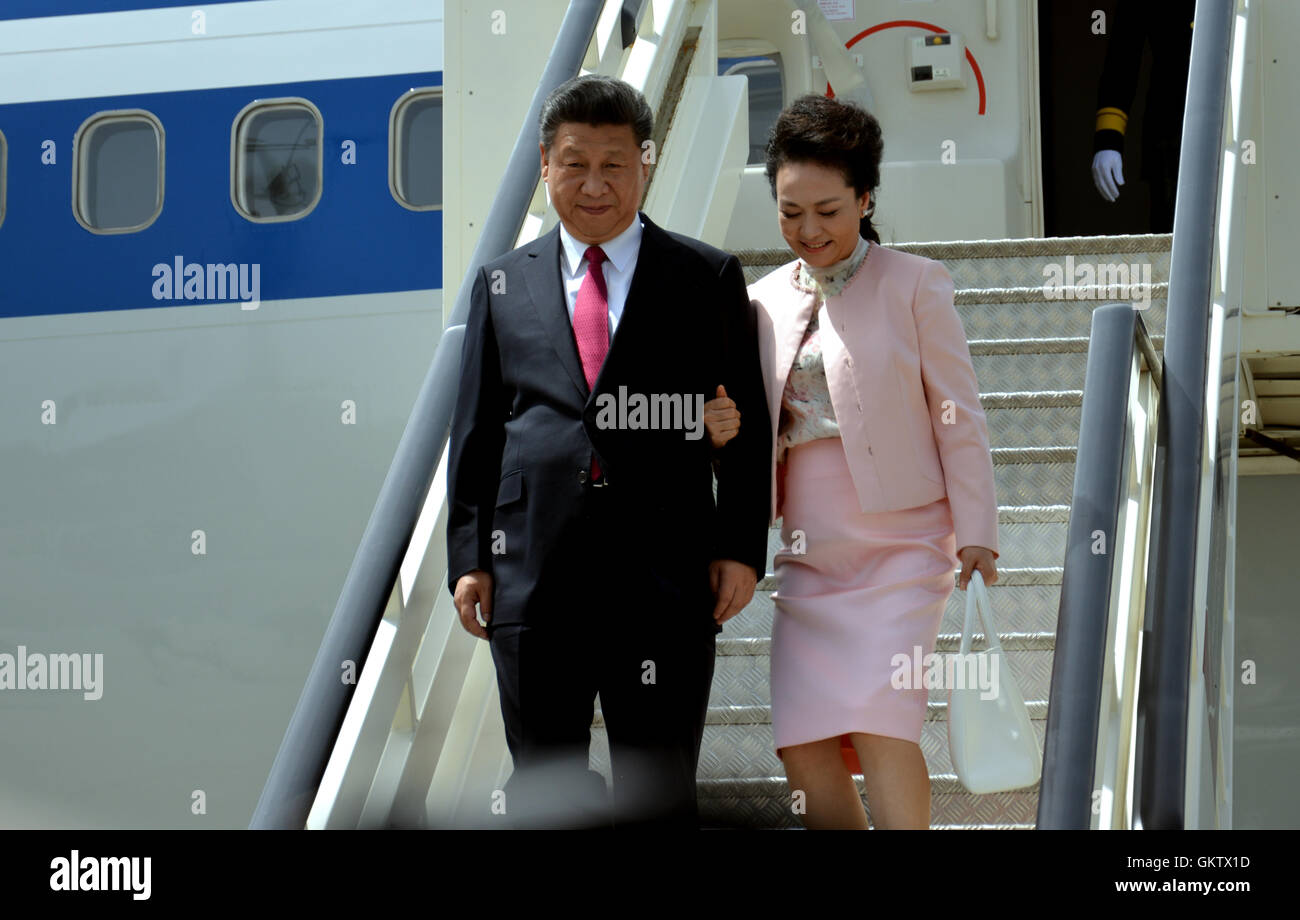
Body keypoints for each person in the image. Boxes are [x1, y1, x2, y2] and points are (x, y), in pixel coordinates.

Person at [445, 74, 771, 829]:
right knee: (542, 792)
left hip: (664, 577)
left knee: (658, 794)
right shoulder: (500, 284)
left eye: (614, 164)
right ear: (545, 164)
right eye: (575, 163)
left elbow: (744, 425)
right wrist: (470, 556)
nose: (594, 185)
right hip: (532, 577)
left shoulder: (706, 276)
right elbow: (477, 432)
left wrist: (740, 548)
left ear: (645, 164)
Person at [703, 95, 999, 829]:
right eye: (789, 211)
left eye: (829, 211)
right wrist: (714, 428)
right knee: (803, 749)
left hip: (902, 548)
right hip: (808, 556)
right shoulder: (758, 301)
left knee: (880, 722)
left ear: (866, 199)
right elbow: (743, 425)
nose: (809, 231)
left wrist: (978, 529)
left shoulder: (916, 284)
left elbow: (959, 416)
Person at [1090, 0, 1194, 232]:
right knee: (1172, 235)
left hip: (1236, 121)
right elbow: (1123, 56)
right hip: (1171, 130)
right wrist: (1108, 141)